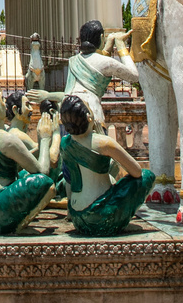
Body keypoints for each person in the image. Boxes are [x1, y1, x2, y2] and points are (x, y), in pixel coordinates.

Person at [0, 86, 56, 235]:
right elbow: (42, 171)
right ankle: (16, 227)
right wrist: (45, 139)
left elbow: (2, 167)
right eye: (2, 100)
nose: (5, 103)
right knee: (43, 183)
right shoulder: (7, 139)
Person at [59, 94, 154, 236]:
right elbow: (137, 172)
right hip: (99, 216)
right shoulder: (103, 143)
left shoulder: (65, 143)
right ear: (89, 117)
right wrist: (104, 142)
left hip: (77, 218)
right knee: (147, 176)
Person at [26, 20, 138, 129]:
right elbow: (134, 76)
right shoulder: (107, 63)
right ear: (101, 38)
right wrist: (121, 46)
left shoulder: (74, 60)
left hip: (70, 118)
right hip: (92, 117)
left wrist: (48, 95)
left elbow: (68, 95)